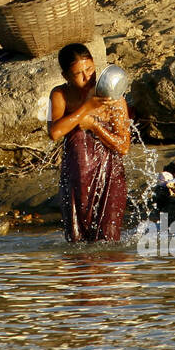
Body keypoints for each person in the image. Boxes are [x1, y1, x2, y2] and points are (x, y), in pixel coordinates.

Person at [48, 44, 132, 242]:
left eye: (90, 69)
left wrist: (95, 127)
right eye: (79, 73)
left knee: (109, 241)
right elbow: (54, 132)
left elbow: (124, 147)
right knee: (77, 242)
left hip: (110, 175)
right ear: (65, 76)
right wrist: (86, 107)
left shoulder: (113, 98)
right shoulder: (60, 95)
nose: (87, 77)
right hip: (77, 176)